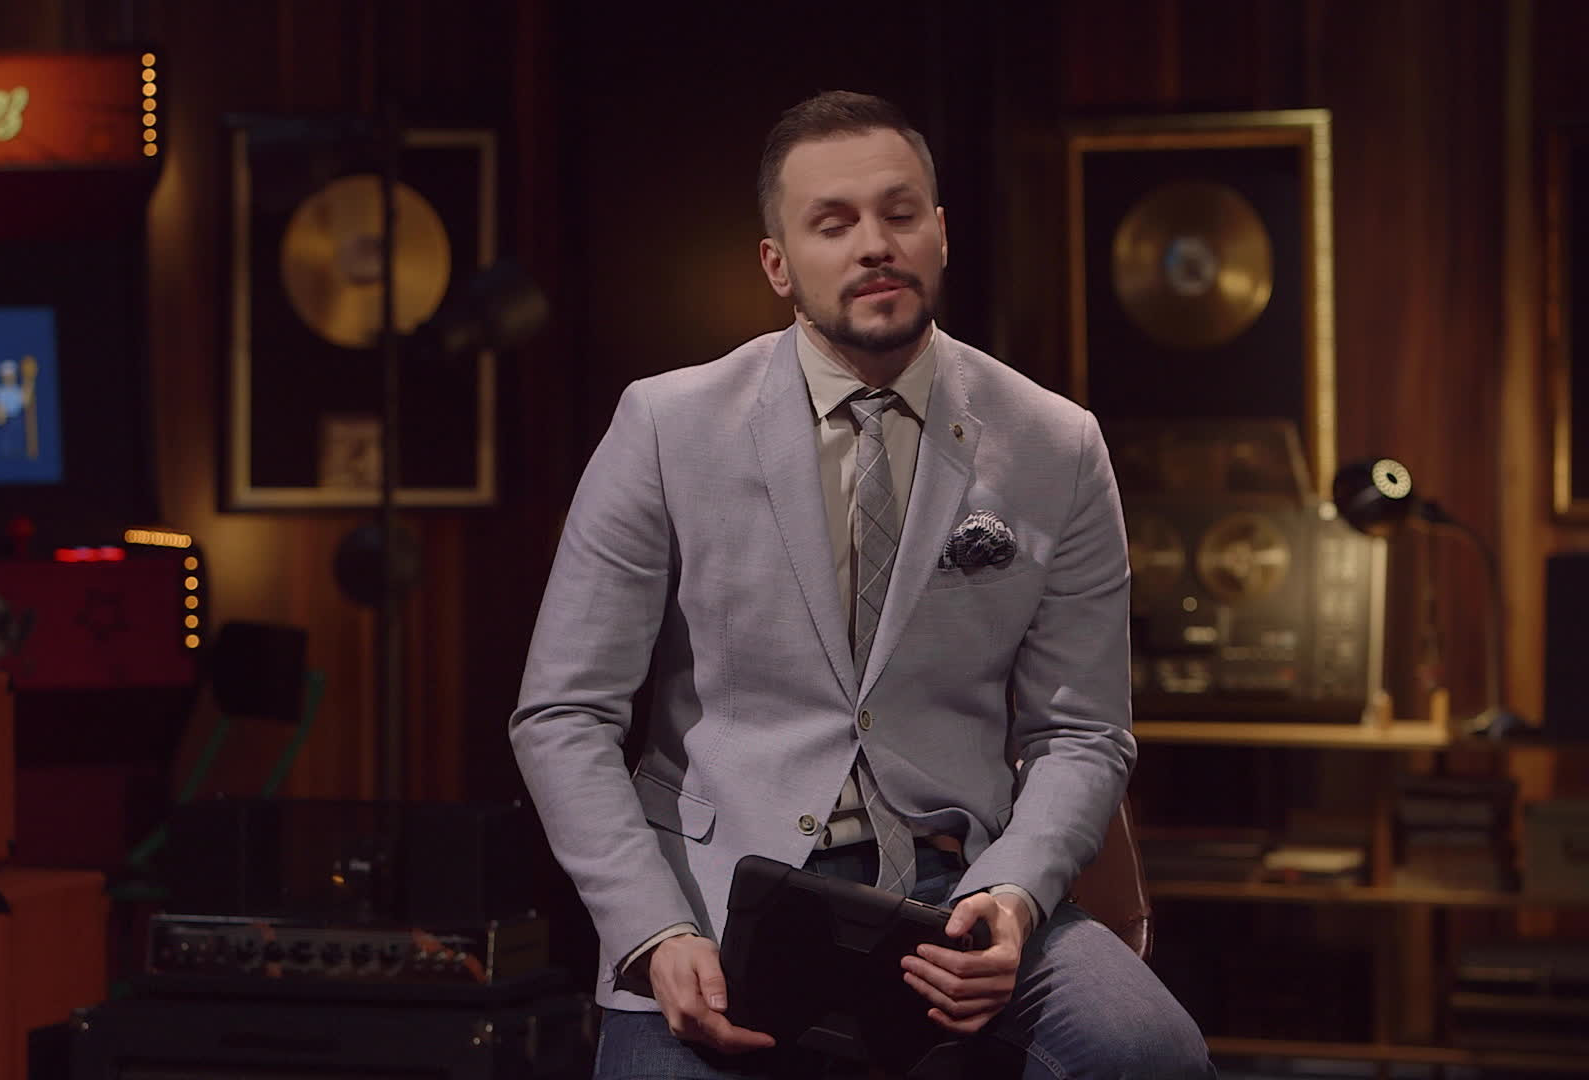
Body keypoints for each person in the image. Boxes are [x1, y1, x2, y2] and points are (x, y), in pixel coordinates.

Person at [510, 91, 1214, 1078]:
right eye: (833, 223)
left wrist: (1014, 896)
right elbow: (564, 715)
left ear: (941, 233)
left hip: (959, 885)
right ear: (777, 264)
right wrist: (654, 929)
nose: (875, 244)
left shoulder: (1056, 444)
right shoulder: (666, 428)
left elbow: (1082, 732)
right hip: (718, 893)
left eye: (900, 213)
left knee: (1154, 1053)